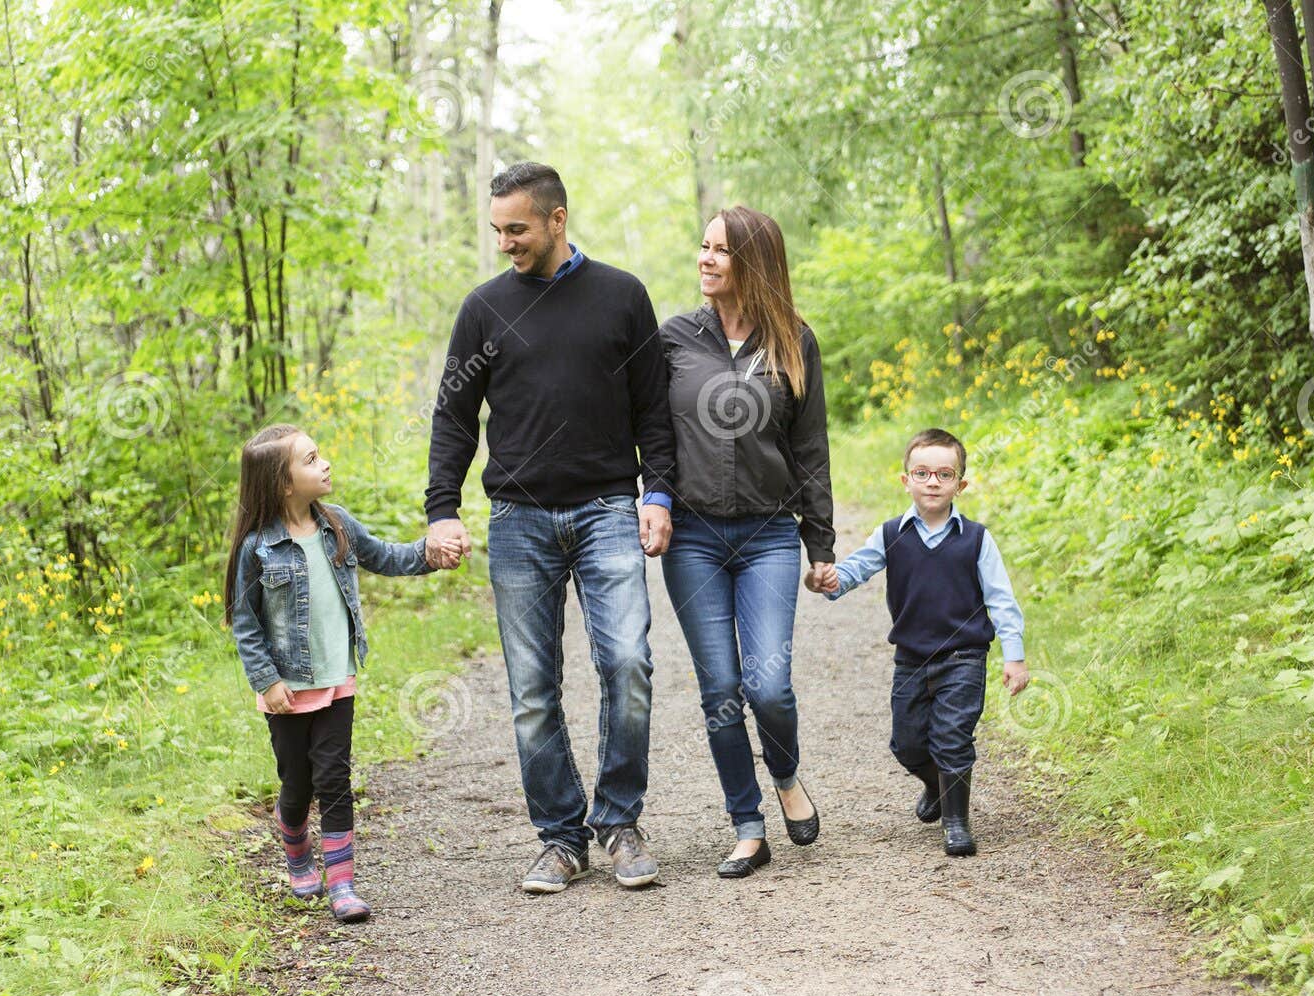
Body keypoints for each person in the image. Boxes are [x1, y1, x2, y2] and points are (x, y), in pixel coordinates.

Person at [424, 161, 678, 894]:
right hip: (518, 519)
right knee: (533, 689)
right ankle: (562, 838)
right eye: (497, 229)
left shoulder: (622, 296)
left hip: (606, 510)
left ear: (557, 219)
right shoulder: (482, 309)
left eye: (518, 228)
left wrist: (656, 492)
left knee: (628, 664)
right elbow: (453, 416)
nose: (505, 242)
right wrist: (443, 506)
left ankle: (620, 822)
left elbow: (654, 411)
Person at [659, 205, 836, 879]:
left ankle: (786, 774)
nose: (705, 259)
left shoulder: (794, 339)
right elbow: (653, 434)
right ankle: (748, 824)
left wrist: (820, 543)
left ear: (752, 264)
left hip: (768, 536)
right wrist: (653, 499)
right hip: (694, 539)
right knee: (721, 687)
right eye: (702, 246)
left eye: (721, 251)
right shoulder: (673, 338)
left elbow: (811, 446)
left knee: (767, 684)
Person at [226, 424, 455, 920]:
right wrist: (267, 679)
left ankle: (343, 885)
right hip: (286, 688)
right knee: (296, 785)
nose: (324, 463)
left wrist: (430, 553)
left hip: (336, 680)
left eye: (320, 455)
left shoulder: (338, 524)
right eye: (310, 460)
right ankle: (296, 850)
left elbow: (387, 557)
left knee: (334, 777)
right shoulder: (258, 548)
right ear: (283, 484)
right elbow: (244, 622)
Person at [819, 427, 1030, 856]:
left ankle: (956, 821)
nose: (933, 481)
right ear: (906, 481)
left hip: (963, 657)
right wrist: (828, 581)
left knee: (952, 737)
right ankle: (937, 787)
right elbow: (857, 569)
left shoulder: (975, 540)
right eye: (922, 472)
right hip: (911, 658)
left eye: (944, 474)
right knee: (908, 742)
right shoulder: (891, 533)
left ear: (960, 484)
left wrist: (1015, 656)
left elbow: (1001, 600)